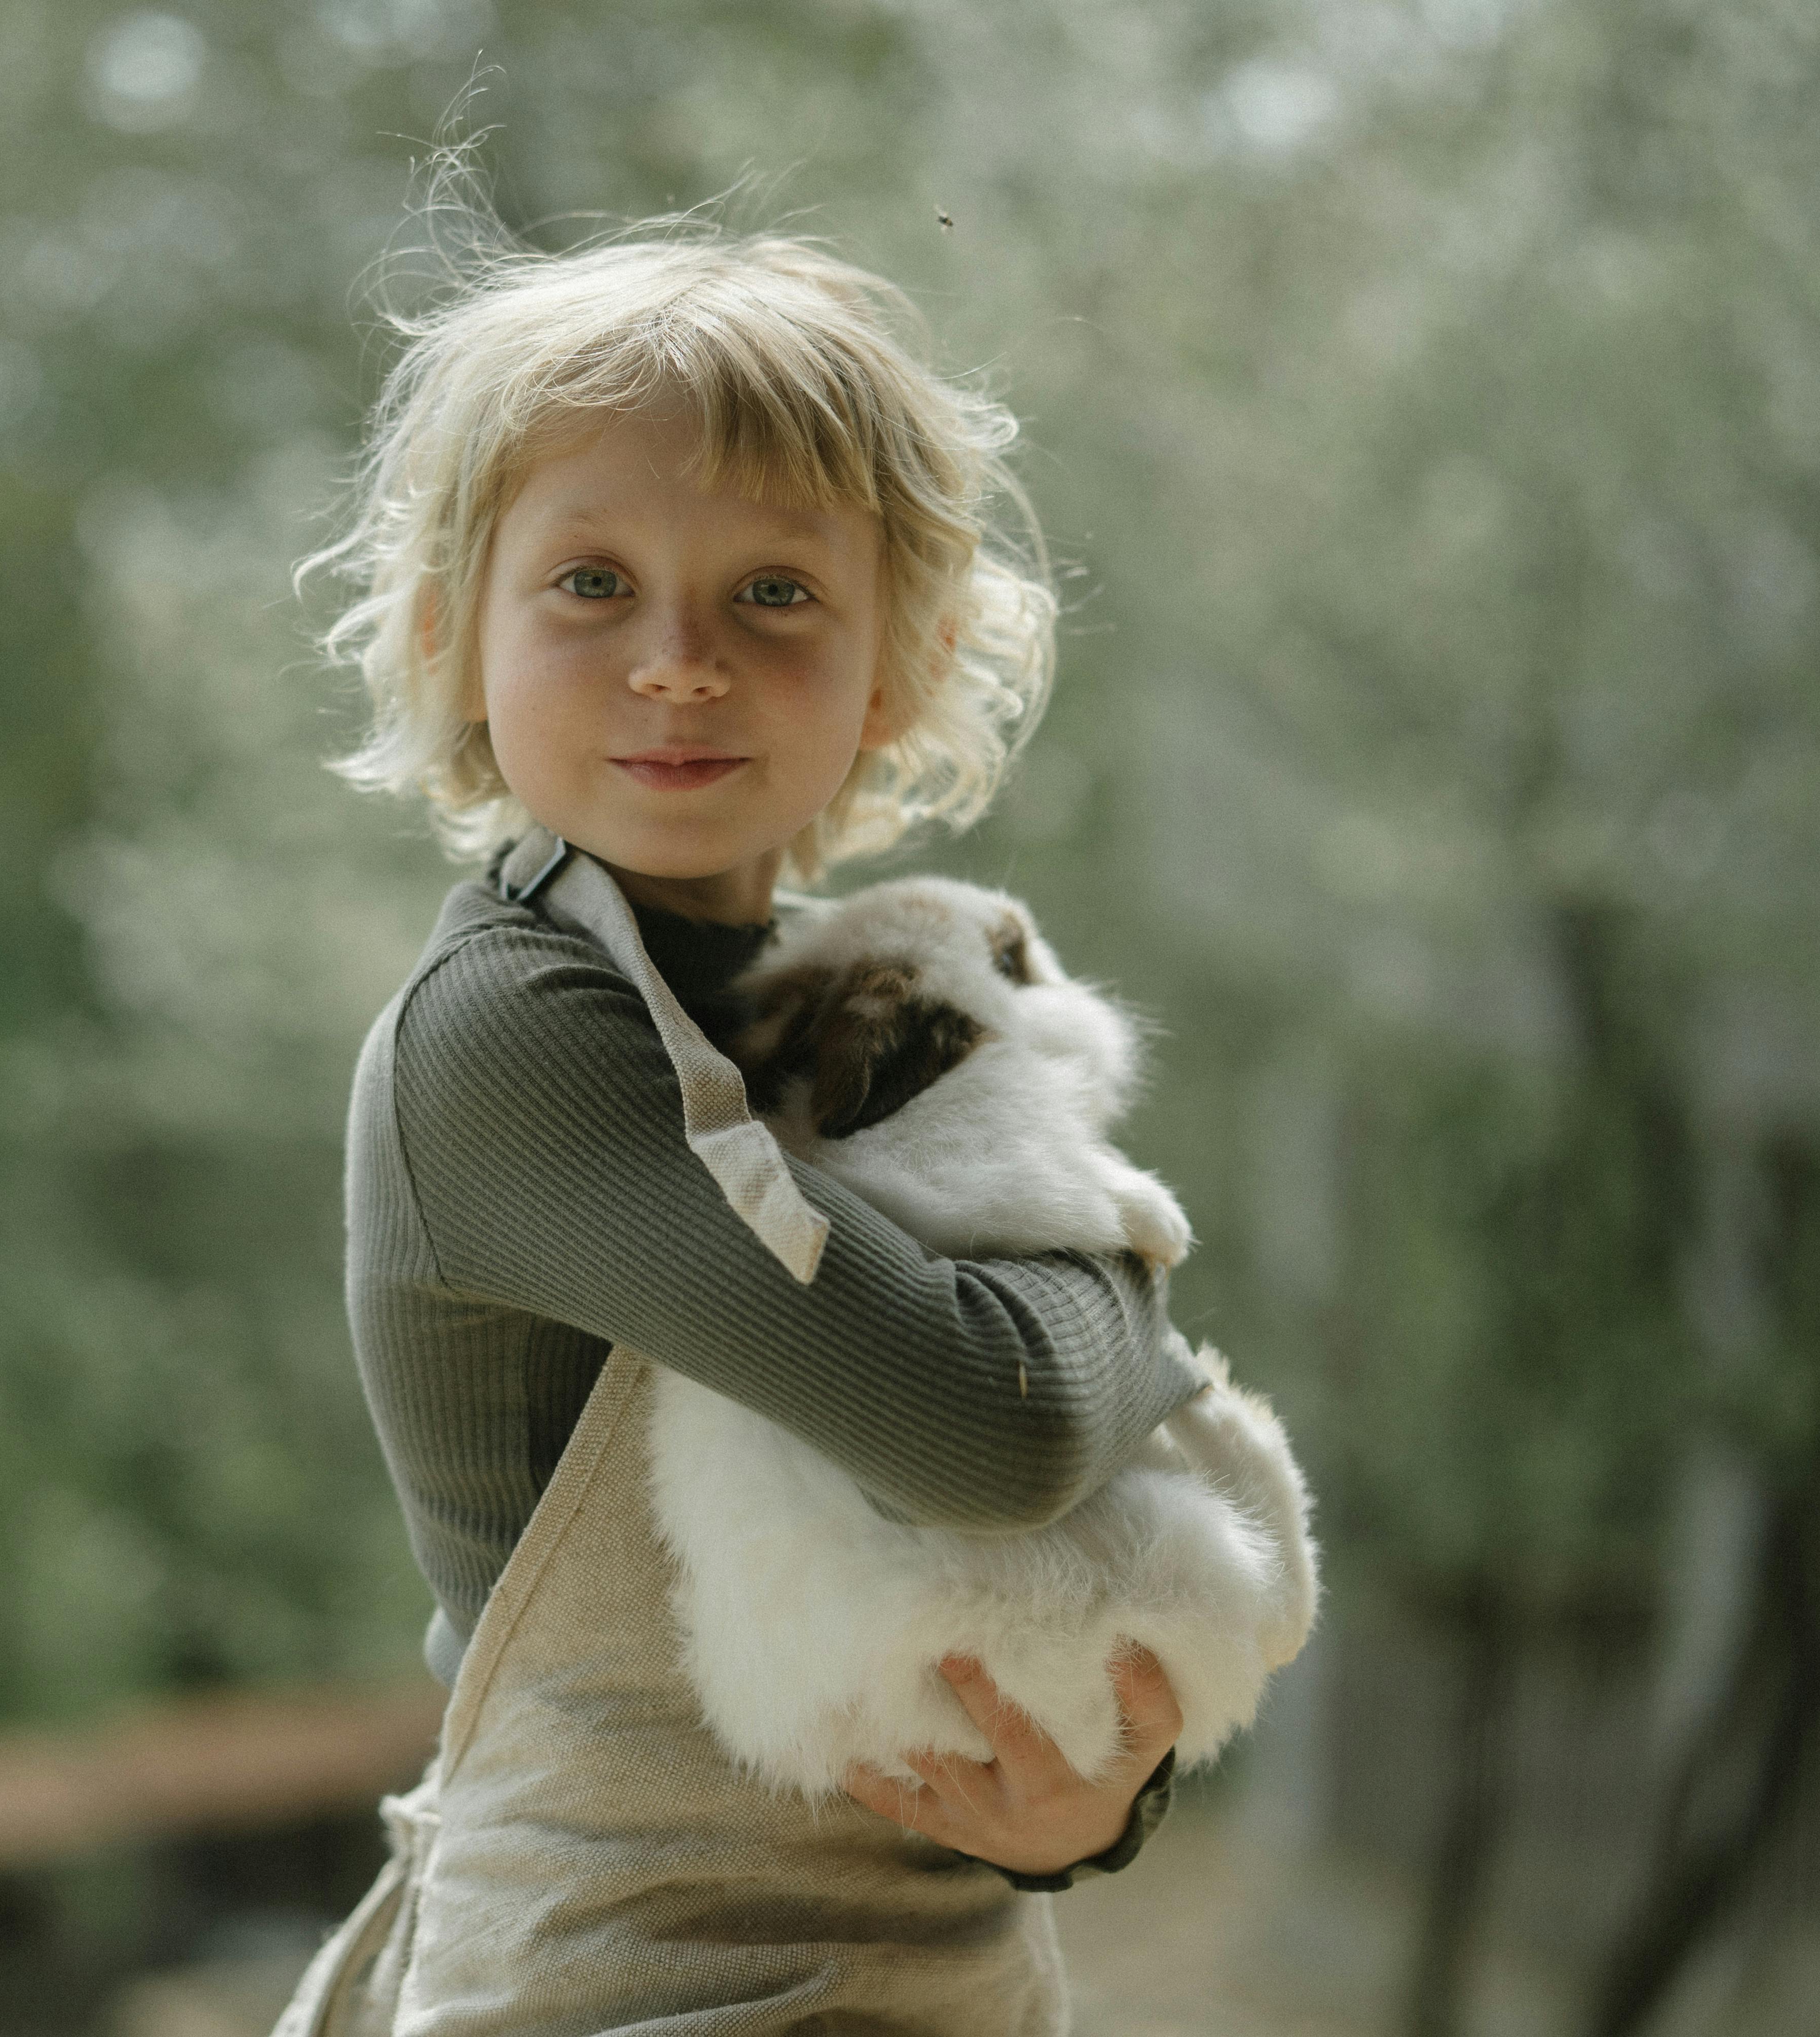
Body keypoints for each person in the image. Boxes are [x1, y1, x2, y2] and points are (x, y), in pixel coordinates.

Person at [278, 211, 1209, 2036]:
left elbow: (993, 1543)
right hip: (628, 1974)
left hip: (915, 1967)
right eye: (591, 583)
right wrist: (1135, 1267)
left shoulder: (823, 1010)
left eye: (774, 592)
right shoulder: (523, 1036)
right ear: (448, 634)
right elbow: (998, 1433)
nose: (681, 659)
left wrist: (1087, 1809)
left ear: (903, 664)